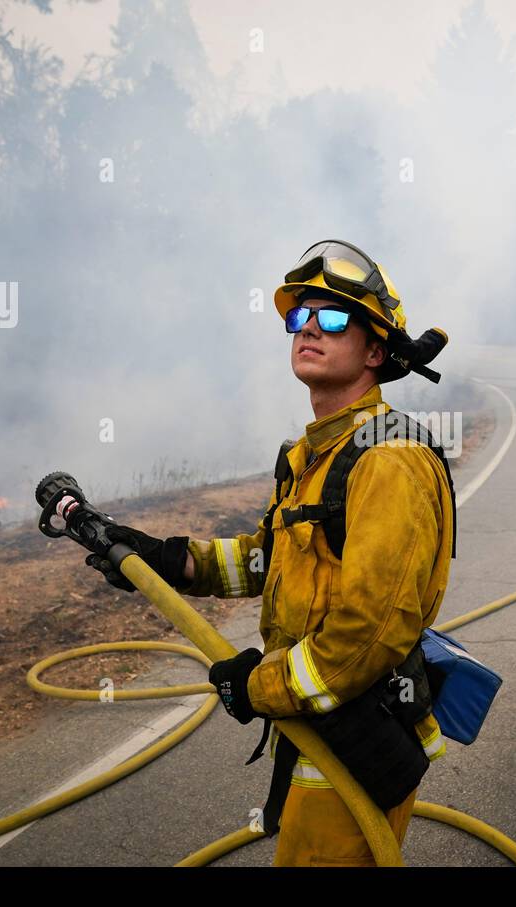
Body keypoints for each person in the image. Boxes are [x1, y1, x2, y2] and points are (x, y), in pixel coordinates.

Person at [87, 240, 454, 866]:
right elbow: (267, 559)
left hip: (358, 736)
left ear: (374, 350)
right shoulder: (316, 455)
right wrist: (162, 560)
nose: (309, 326)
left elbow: (368, 636)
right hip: (316, 730)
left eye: (333, 317)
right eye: (299, 315)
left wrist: (259, 687)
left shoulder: (388, 462)